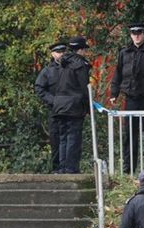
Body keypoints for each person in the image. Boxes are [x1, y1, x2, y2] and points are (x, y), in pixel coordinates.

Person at [109, 22, 144, 174]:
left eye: (140, 33)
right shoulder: (124, 52)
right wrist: (114, 93)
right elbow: (118, 73)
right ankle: (129, 167)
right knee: (130, 133)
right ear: (130, 35)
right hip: (131, 98)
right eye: (134, 33)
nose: (137, 36)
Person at [52, 36, 90, 174]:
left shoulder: (63, 63)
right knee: (73, 137)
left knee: (63, 137)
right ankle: (71, 167)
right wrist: (88, 107)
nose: (86, 52)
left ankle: (62, 167)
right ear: (80, 50)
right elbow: (84, 88)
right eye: (85, 49)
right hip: (74, 105)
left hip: (59, 105)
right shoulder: (80, 65)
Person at [34, 41, 67, 173]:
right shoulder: (47, 71)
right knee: (55, 139)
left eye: (63, 51)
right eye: (58, 52)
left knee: (69, 139)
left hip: (70, 110)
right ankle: (56, 167)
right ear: (53, 54)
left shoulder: (70, 68)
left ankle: (67, 167)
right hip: (55, 111)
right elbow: (39, 88)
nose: (61, 54)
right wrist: (53, 101)